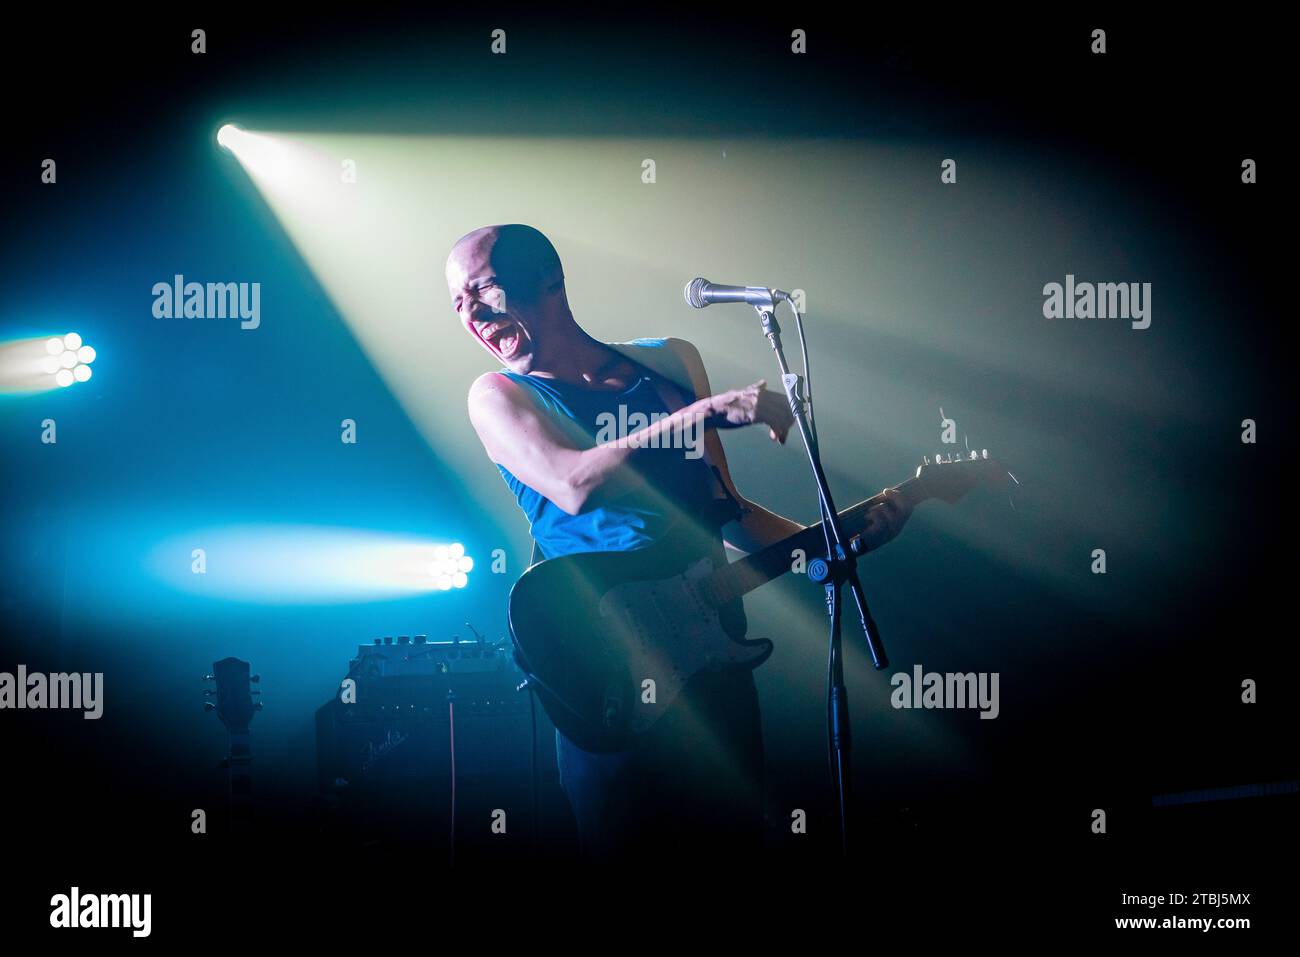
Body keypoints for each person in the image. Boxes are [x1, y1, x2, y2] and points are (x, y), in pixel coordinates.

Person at [446, 224, 911, 859]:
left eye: (485, 290)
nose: (470, 313)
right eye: (457, 302)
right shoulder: (497, 396)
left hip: (713, 659)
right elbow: (573, 482)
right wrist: (701, 414)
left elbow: (729, 509)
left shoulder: (668, 363)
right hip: (605, 674)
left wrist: (843, 540)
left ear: (550, 282)